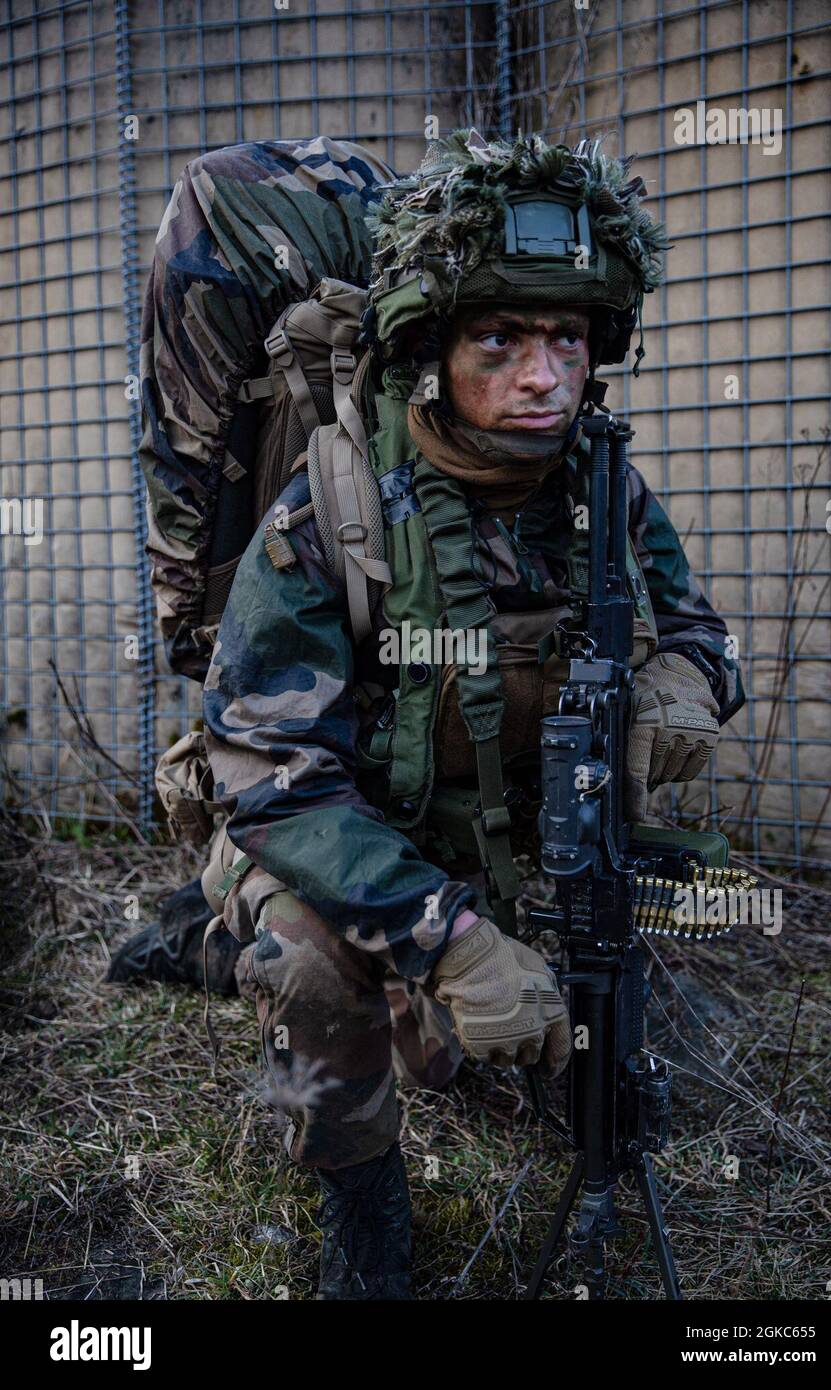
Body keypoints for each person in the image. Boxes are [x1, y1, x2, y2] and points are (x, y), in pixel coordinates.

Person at [112, 130, 744, 1299]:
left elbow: (704, 636)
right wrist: (448, 938)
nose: (541, 377)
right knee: (307, 969)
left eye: (563, 338)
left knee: (568, 1038)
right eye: (498, 340)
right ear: (430, 348)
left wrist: (678, 692)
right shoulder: (332, 505)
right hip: (354, 839)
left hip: (512, 840)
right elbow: (269, 766)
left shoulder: (604, 488)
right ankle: (361, 1209)